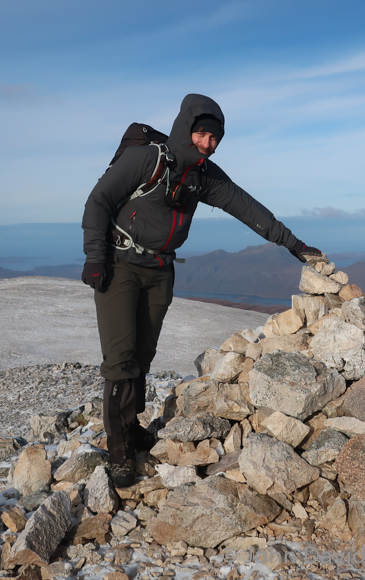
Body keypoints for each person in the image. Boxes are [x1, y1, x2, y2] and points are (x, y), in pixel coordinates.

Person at [81, 93, 321, 486]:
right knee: (120, 357)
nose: (208, 143)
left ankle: (133, 424)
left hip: (160, 269)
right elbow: (99, 200)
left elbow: (248, 208)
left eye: (215, 138)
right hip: (120, 265)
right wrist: (95, 257)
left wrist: (293, 243)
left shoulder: (203, 175)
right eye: (202, 134)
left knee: (143, 353)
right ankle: (119, 447)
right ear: (186, 129)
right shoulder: (149, 159)